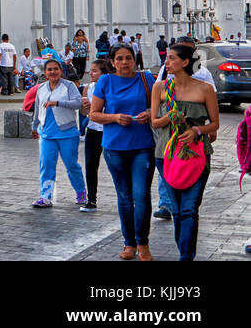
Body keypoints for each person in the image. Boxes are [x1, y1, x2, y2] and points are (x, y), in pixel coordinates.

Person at [149, 41, 218, 261]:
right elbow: (154, 122)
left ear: (185, 62)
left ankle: (186, 257)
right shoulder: (161, 88)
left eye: (171, 58)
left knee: (189, 209)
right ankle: (184, 252)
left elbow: (214, 124)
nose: (166, 62)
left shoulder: (204, 88)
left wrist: (197, 130)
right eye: (166, 58)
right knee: (177, 210)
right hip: (166, 154)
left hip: (197, 153)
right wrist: (169, 117)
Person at [90, 43, 157, 260]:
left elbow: (160, 107)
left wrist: (149, 113)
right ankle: (129, 243)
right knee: (125, 197)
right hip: (114, 147)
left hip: (142, 145)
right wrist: (114, 117)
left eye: (128, 58)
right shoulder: (105, 81)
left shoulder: (147, 79)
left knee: (142, 195)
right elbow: (93, 114)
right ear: (112, 62)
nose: (124, 62)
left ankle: (143, 243)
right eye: (119, 58)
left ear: (134, 59)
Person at [30, 54, 88, 208]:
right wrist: (34, 126)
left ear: (61, 71)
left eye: (56, 69)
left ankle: (81, 193)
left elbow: (77, 103)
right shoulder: (41, 88)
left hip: (67, 133)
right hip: (47, 134)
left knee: (71, 164)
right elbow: (37, 109)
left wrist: (58, 103)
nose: (53, 72)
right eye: (49, 69)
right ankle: (46, 196)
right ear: (45, 72)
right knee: (46, 164)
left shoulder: (69, 86)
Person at [80, 58, 110, 212]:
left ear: (104, 73)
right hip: (93, 130)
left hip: (109, 130)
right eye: (90, 70)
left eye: (95, 71)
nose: (91, 73)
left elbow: (112, 111)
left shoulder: (111, 87)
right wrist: (85, 107)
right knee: (91, 165)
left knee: (116, 166)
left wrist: (94, 107)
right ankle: (91, 199)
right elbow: (86, 113)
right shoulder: (89, 88)